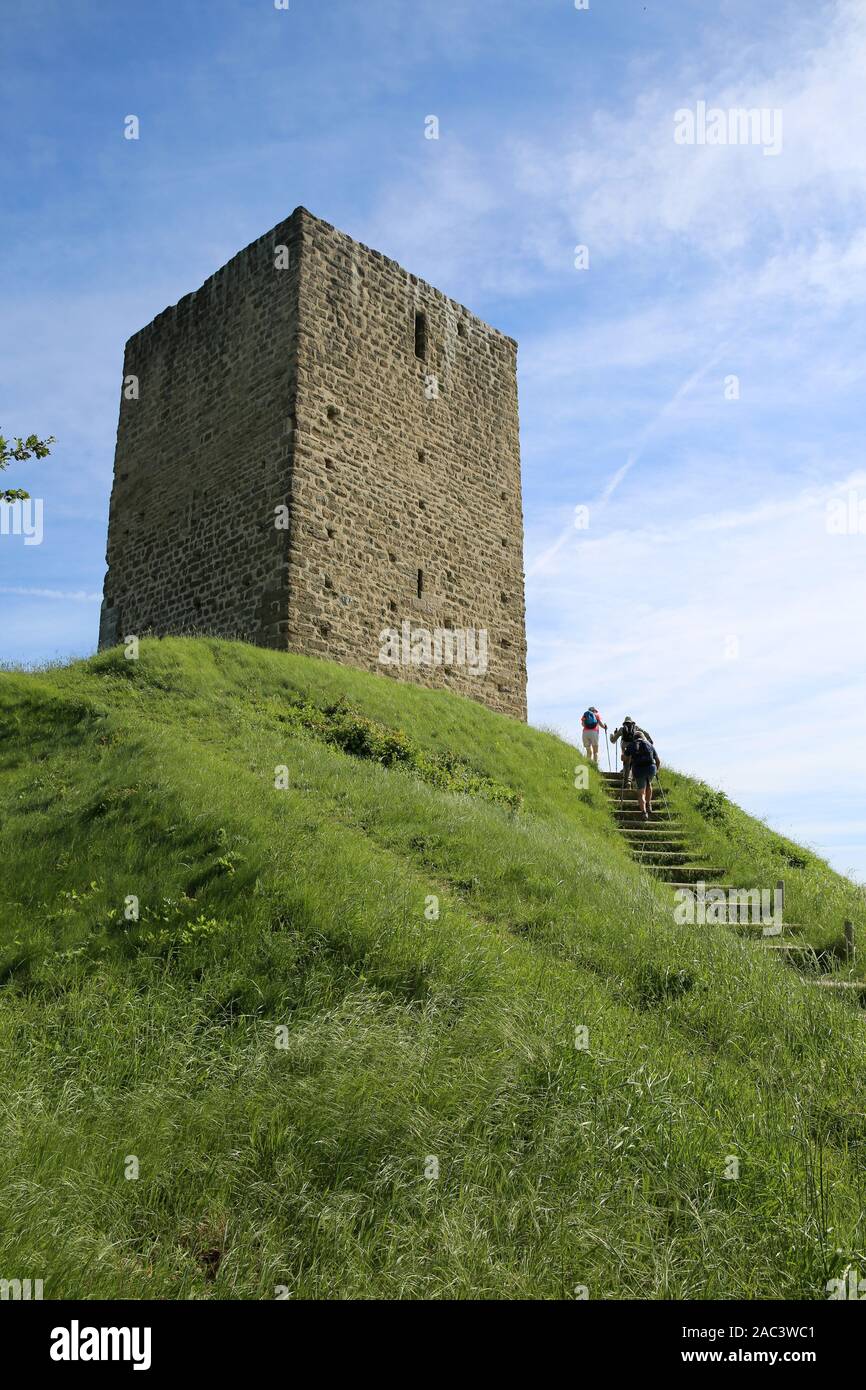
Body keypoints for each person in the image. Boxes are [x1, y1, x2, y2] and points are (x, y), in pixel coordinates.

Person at [624, 732, 661, 817]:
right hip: (651, 768)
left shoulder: (631, 745)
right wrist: (656, 771)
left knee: (641, 791)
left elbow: (625, 758)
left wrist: (624, 756)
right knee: (649, 784)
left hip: (639, 769)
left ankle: (644, 812)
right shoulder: (650, 745)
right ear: (643, 737)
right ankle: (649, 804)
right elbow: (658, 761)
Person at [611, 716, 653, 787]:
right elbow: (645, 733)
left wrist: (612, 735)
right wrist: (649, 740)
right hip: (634, 747)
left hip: (624, 748)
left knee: (626, 763)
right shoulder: (636, 728)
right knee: (631, 763)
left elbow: (613, 741)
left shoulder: (622, 729)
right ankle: (631, 781)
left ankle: (627, 781)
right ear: (632, 722)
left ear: (624, 723)